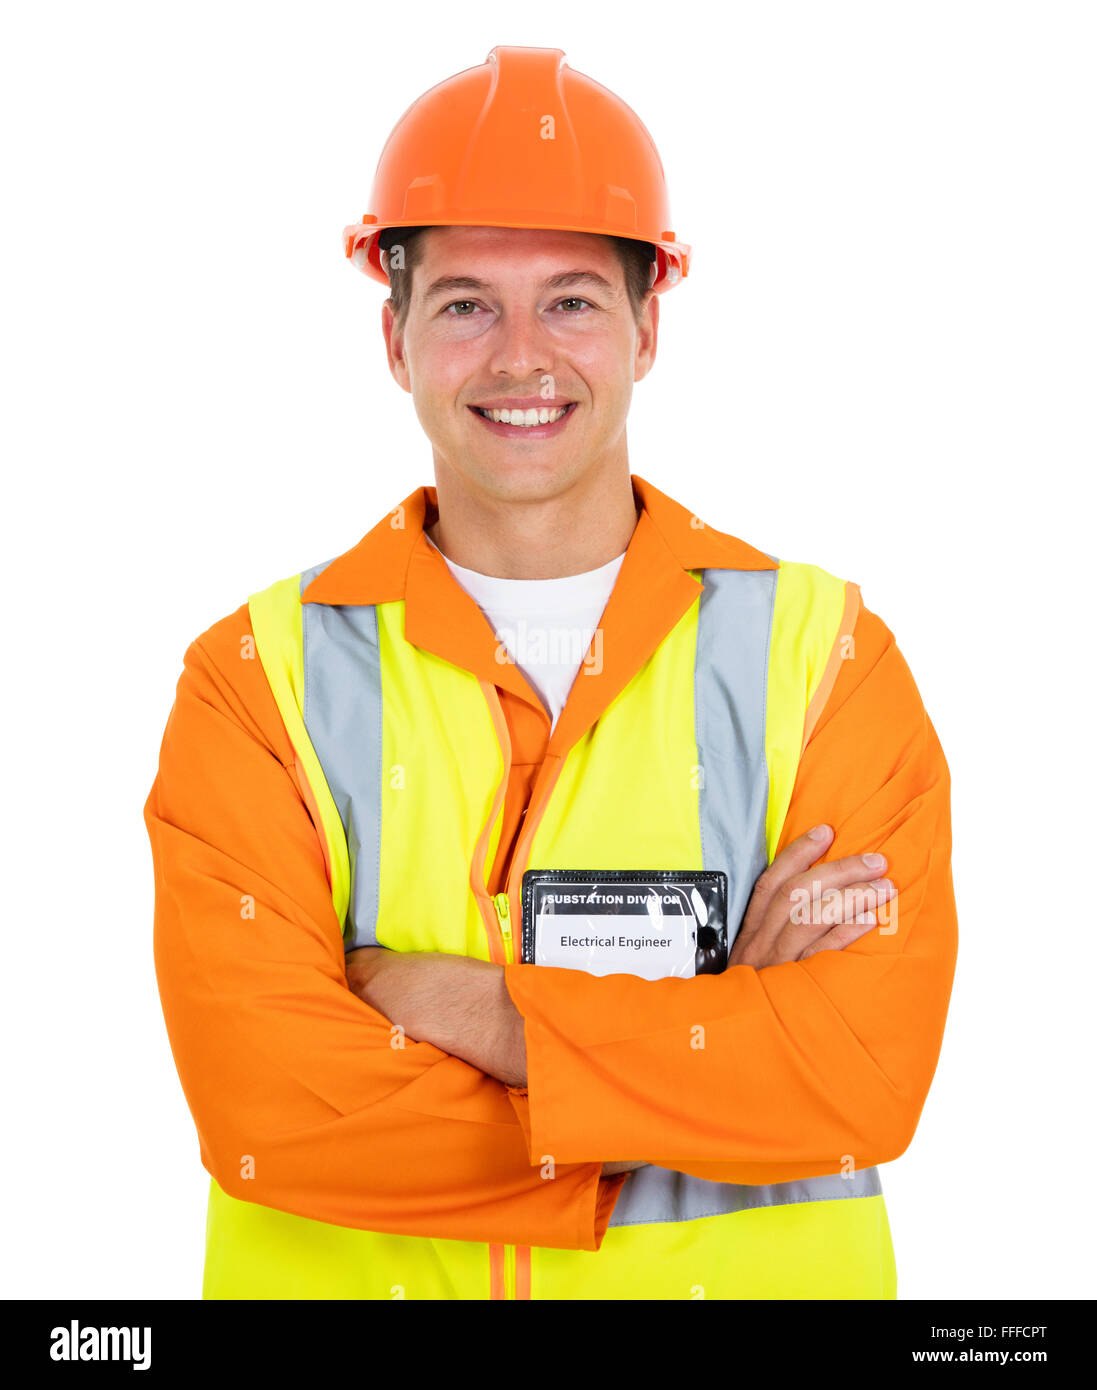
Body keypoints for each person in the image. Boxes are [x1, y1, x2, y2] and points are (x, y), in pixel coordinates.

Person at [144, 44, 957, 1300]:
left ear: (645, 325)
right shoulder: (256, 682)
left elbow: (858, 1078)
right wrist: (721, 1041)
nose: (520, 355)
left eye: (571, 300)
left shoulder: (824, 659)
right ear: (393, 336)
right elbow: (269, 1105)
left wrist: (473, 1014)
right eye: (465, 301)